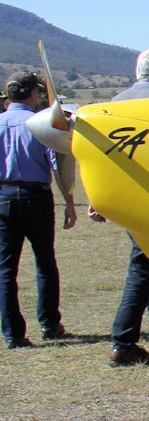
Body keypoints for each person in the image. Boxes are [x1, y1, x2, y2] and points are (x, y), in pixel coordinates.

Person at [98, 49, 149, 366]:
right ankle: (123, 342)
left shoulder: (114, 104)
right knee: (144, 266)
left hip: (123, 199)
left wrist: (100, 201)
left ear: (136, 72)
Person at [0, 71, 77, 348]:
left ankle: (12, 333)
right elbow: (57, 164)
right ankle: (49, 323)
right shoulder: (38, 124)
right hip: (37, 198)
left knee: (5, 269)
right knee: (45, 262)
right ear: (33, 94)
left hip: (4, 197)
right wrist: (69, 202)